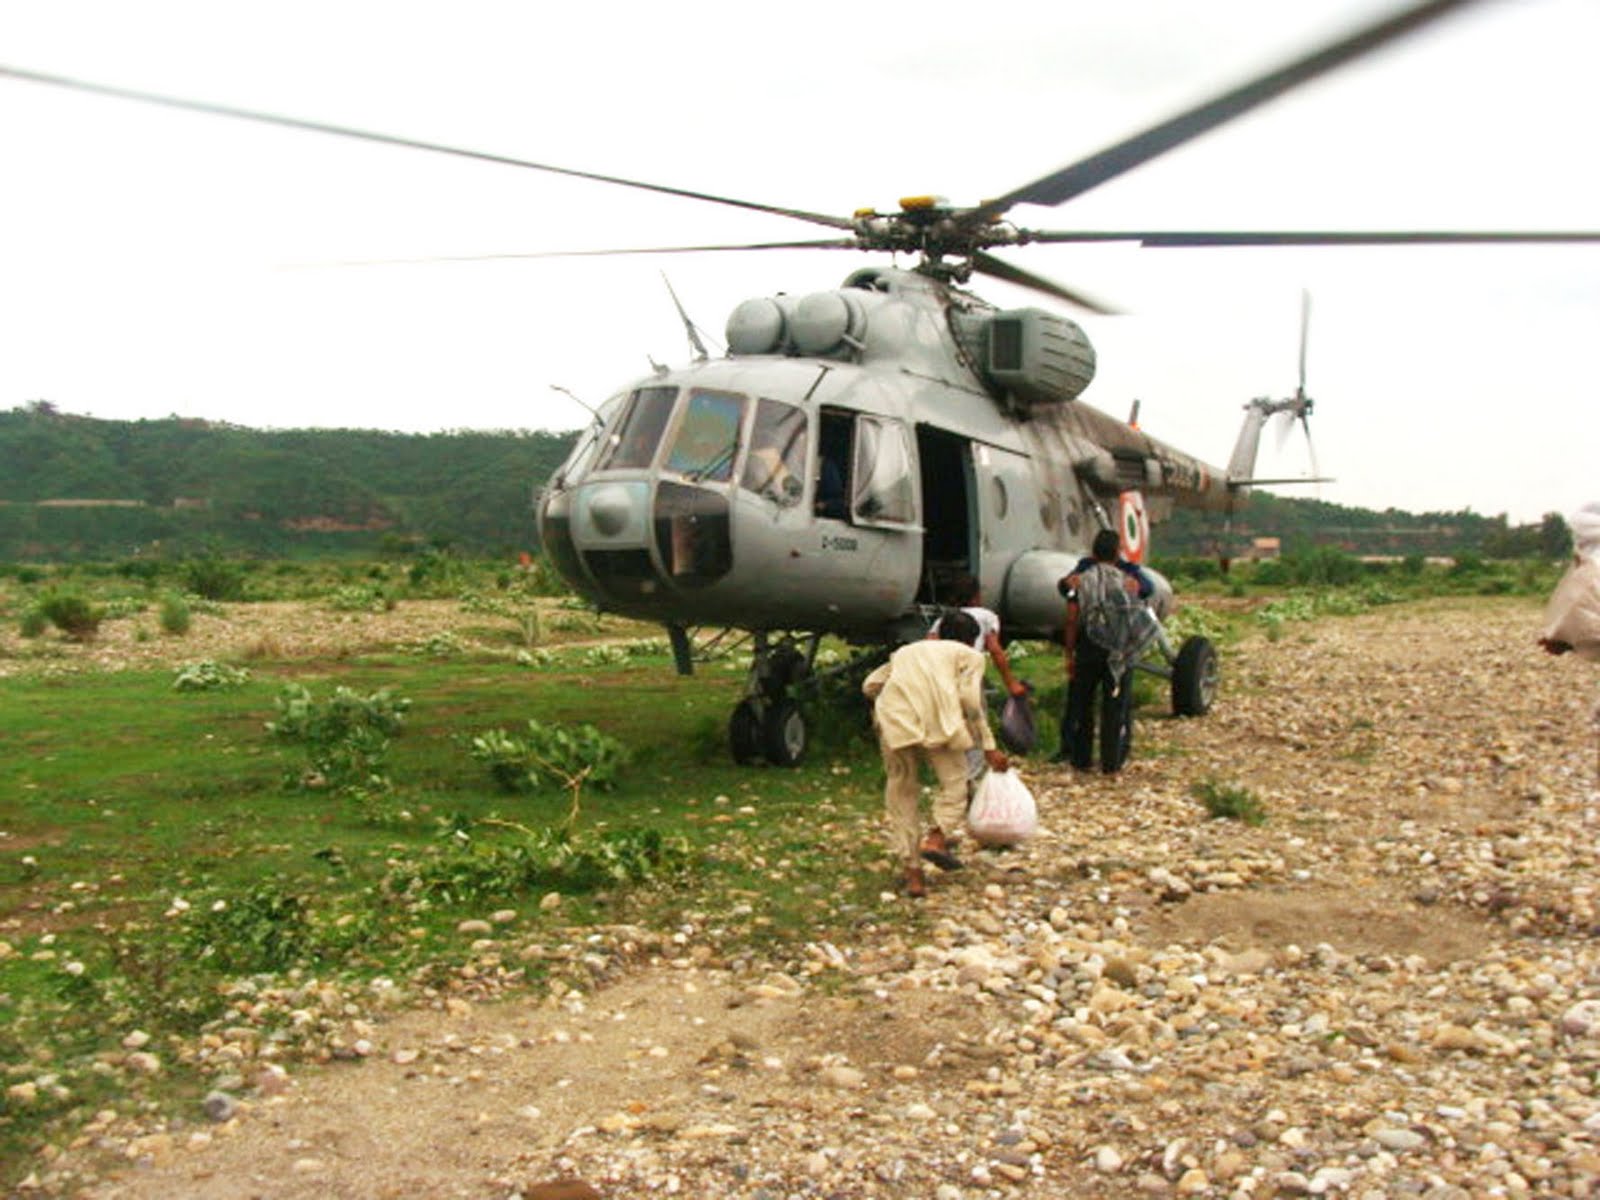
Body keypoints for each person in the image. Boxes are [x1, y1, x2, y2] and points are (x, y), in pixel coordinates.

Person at [863, 611, 1010, 897]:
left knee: (901, 794)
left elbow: (869, 685)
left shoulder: (906, 651)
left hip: (896, 721)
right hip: (941, 724)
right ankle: (935, 838)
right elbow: (970, 700)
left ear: (939, 632)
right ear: (973, 639)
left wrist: (898, 702)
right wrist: (989, 746)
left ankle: (914, 875)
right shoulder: (970, 656)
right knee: (956, 784)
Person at [1055, 528, 1157, 773]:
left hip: (1088, 647)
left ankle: (1080, 759)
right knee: (1116, 704)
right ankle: (1113, 762)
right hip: (1119, 650)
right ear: (1118, 551)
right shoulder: (1127, 574)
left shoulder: (1083, 573)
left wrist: (1069, 654)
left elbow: (1070, 612)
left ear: (1093, 550)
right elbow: (1148, 589)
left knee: (1082, 702)